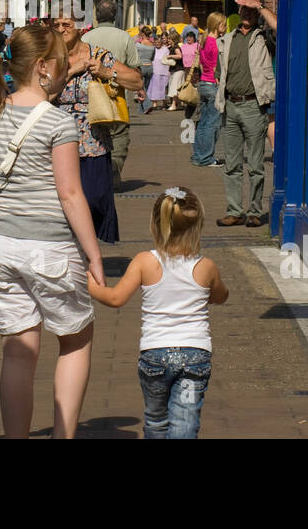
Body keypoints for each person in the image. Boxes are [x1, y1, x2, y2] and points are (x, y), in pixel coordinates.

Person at [0, 24, 105, 438]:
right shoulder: (58, 122)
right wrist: (94, 254)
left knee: (19, 350)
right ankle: (63, 434)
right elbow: (71, 195)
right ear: (44, 68)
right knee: (75, 340)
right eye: (62, 60)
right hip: (50, 247)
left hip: (1, 247)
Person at [87, 186, 228, 439]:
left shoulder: (144, 261)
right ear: (198, 227)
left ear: (156, 224)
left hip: (155, 356)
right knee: (185, 421)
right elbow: (220, 295)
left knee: (155, 420)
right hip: (195, 357)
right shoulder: (205, 266)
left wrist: (87, 284)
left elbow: (115, 298)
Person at [53, 12, 143, 244]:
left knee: (94, 198)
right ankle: (73, 252)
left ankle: (88, 245)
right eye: (57, 25)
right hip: (57, 139)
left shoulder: (99, 55)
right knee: (60, 203)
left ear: (80, 28)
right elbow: (44, 93)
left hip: (93, 140)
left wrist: (106, 72)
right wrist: (71, 71)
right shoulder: (50, 57)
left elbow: (136, 81)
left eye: (67, 24)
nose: (61, 29)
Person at [215, 0, 277, 228]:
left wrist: (260, 6)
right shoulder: (228, 38)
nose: (248, 13)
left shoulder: (263, 37)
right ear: (239, 11)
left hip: (253, 105)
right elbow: (221, 71)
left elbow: (280, 28)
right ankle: (234, 210)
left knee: (255, 165)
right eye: (245, 9)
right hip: (230, 105)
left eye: (252, 10)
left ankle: (254, 211)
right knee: (231, 165)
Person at [82, 0, 137, 190]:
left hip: (91, 95)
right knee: (120, 135)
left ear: (97, 15)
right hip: (117, 95)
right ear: (115, 16)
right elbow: (133, 68)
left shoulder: (86, 37)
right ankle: (113, 171)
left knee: (94, 135)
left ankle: (97, 175)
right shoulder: (125, 37)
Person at [190, 12, 225, 167]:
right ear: (217, 25)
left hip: (204, 83)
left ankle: (198, 155)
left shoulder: (204, 40)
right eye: (223, 24)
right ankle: (206, 157)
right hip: (212, 83)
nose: (225, 27)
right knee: (212, 123)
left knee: (203, 123)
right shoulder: (214, 43)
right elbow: (219, 64)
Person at [135, 27, 156, 115]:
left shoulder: (138, 45)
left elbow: (135, 56)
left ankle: (148, 104)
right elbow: (153, 58)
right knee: (146, 88)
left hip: (141, 67)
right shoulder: (152, 45)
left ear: (142, 34)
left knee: (140, 88)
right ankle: (141, 109)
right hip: (150, 67)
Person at [148, 35, 171, 111]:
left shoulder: (166, 49)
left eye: (158, 42)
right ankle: (154, 103)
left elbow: (167, 59)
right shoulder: (153, 49)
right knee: (155, 88)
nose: (157, 44)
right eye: (156, 42)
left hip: (164, 70)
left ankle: (164, 103)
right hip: (155, 70)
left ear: (161, 42)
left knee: (164, 88)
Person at [165, 30, 185, 110]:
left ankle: (173, 104)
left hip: (178, 70)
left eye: (170, 39)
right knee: (177, 87)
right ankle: (179, 104)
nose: (168, 40)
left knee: (174, 87)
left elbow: (180, 56)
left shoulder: (176, 47)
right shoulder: (172, 47)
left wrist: (170, 56)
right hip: (175, 70)